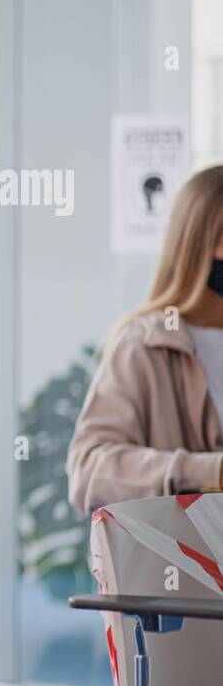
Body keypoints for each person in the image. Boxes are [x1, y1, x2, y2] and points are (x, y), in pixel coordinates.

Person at [68, 165, 223, 513]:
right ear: (203, 244)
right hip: (187, 567)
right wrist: (210, 471)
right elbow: (89, 469)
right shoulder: (145, 344)